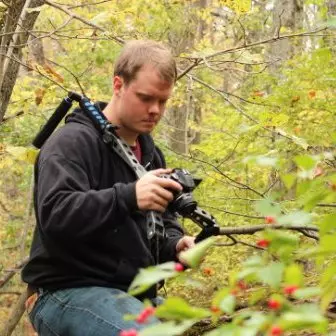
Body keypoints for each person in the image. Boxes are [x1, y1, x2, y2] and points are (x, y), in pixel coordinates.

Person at [22, 39, 195, 336]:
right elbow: (55, 215)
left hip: (131, 296)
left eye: (163, 101)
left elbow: (162, 224)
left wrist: (175, 245)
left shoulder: (150, 155)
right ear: (118, 85)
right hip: (64, 291)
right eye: (145, 98)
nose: (155, 110)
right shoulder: (72, 143)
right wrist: (128, 197)